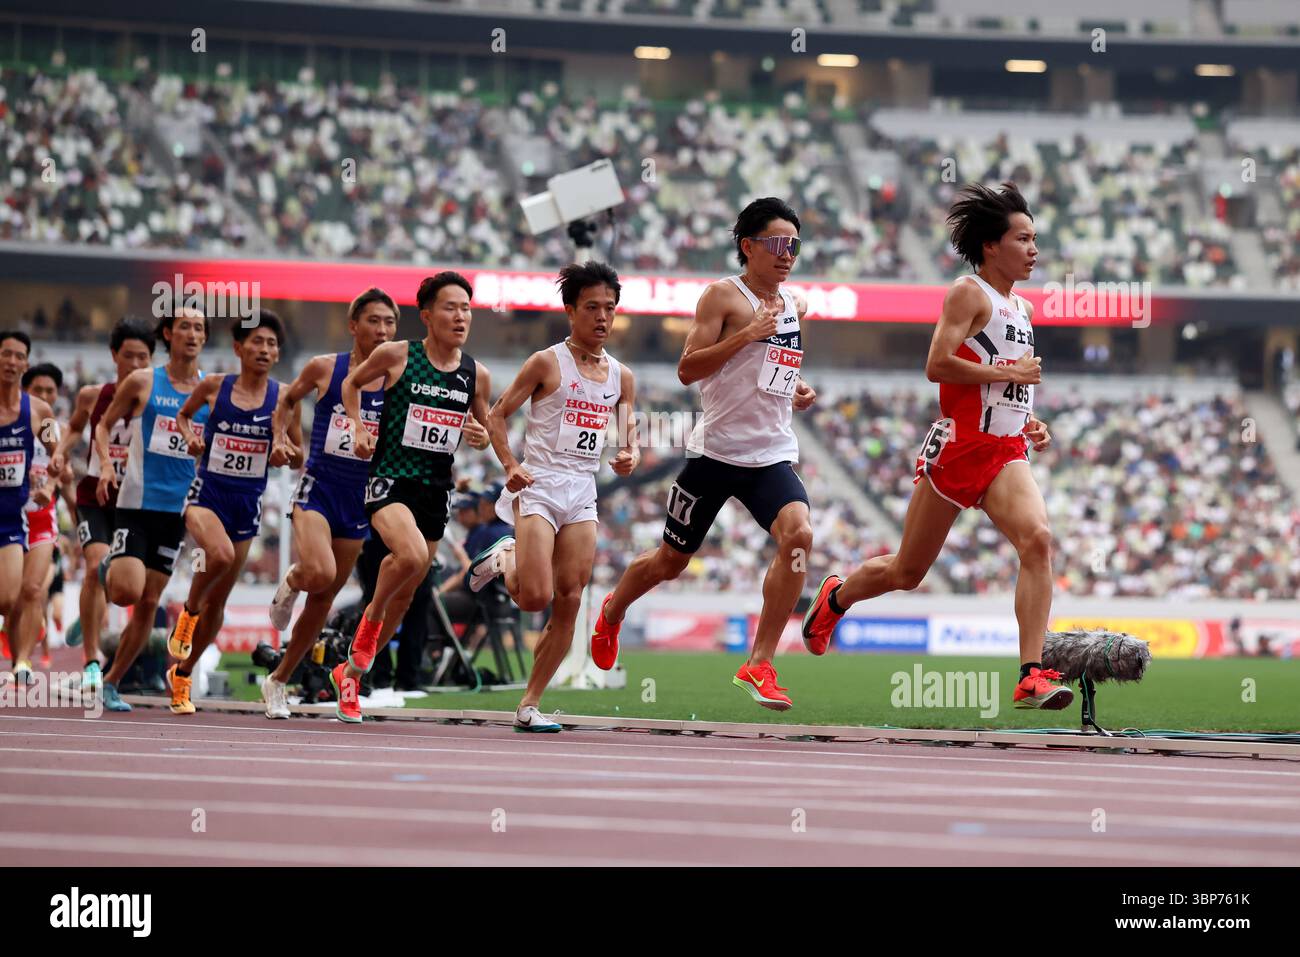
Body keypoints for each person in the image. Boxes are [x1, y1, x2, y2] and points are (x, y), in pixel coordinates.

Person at [801, 181, 1071, 710]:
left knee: (1038, 540)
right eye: (1023, 238)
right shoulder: (968, 292)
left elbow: (1004, 384)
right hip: (958, 450)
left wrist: (1029, 419)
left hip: (1004, 451)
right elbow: (937, 365)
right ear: (992, 246)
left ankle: (1030, 674)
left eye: (1035, 239)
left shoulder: (1023, 309)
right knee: (906, 571)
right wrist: (1007, 370)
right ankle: (834, 597)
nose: (1034, 249)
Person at [589, 199, 817, 711]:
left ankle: (760, 663)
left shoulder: (796, 304)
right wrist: (746, 333)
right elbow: (688, 369)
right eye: (777, 245)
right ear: (748, 247)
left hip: (770, 455)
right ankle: (613, 612)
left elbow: (773, 367)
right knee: (671, 561)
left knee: (799, 535)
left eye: (794, 246)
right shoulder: (722, 296)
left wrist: (797, 386)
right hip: (714, 454)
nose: (787, 255)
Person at [476, 261, 638, 731]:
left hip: (582, 490)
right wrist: (511, 466)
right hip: (540, 484)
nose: (602, 317)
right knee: (534, 598)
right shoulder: (547, 362)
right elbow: (497, 415)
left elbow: (630, 436)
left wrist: (628, 453)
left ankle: (529, 704)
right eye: (592, 307)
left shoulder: (622, 377)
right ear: (571, 311)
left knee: (570, 597)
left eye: (609, 308)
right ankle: (506, 556)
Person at [329, 271, 492, 722]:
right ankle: (366, 629)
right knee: (413, 555)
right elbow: (351, 384)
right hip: (390, 479)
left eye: (466, 309)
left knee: (408, 592)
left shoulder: (477, 374)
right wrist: (360, 427)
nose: (460, 316)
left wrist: (480, 435)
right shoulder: (397, 355)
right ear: (426, 315)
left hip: (434, 490)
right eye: (450, 307)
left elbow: (484, 427)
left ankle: (350, 674)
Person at [261, 288, 397, 718]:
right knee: (318, 572)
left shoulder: (398, 379)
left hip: (360, 500)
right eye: (373, 321)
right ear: (353, 325)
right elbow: (286, 399)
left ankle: (278, 679)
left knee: (323, 602)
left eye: (390, 323)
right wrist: (281, 436)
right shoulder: (325, 368)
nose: (382, 330)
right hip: (318, 489)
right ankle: (293, 578)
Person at [166, 310, 302, 715]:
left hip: (247, 505)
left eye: (271, 344)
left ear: (277, 353)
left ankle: (183, 675)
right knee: (219, 556)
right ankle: (188, 612)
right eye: (257, 342)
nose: (264, 349)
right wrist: (191, 437)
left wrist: (284, 452)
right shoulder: (214, 386)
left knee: (220, 603)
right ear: (238, 348)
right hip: (207, 495)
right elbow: (184, 416)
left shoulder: (284, 397)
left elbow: (297, 456)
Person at [95, 309, 211, 712]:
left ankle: (111, 682)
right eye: (185, 327)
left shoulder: (211, 391)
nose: (192, 334)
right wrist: (108, 465)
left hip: (176, 512)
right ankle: (108, 568)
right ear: (168, 334)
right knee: (126, 590)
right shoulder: (144, 381)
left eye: (199, 328)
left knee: (149, 602)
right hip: (137, 503)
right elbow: (103, 426)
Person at [49, 318, 155, 690]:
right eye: (129, 356)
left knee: (118, 580)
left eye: (144, 357)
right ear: (114, 356)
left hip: (137, 501)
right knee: (95, 562)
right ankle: (92, 660)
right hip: (95, 495)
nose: (136, 364)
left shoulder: (158, 398)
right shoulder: (93, 395)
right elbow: (76, 426)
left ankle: (95, 607)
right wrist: (61, 452)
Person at [6, 363, 75, 682]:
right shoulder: (13, 420)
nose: (45, 396)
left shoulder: (52, 429)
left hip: (41, 520)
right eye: (39, 390)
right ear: (24, 391)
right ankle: (12, 627)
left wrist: (51, 488)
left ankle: (23, 662)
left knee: (33, 590)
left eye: (51, 391)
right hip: (8, 516)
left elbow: (63, 469)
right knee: (11, 596)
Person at [0, 331, 62, 683]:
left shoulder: (39, 411)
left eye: (18, 355)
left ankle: (21, 657)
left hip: (14, 515)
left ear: (25, 362)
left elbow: (59, 458)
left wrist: (51, 485)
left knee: (10, 599)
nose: (11, 361)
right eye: (5, 354)